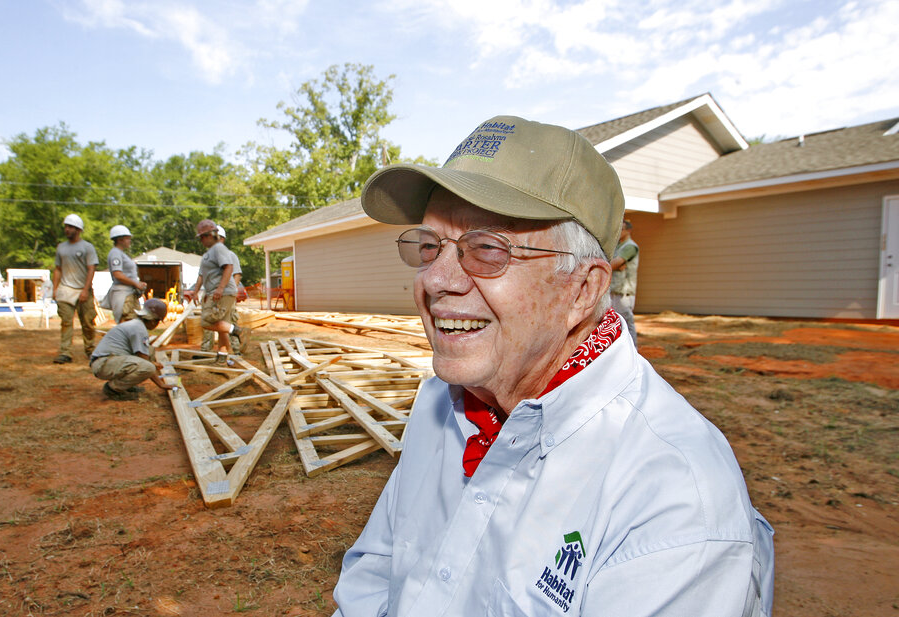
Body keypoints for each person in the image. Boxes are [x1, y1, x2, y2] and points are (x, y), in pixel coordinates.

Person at [332, 116, 774, 617]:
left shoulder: (675, 499)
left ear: (581, 290)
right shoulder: (440, 402)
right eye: (430, 246)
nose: (436, 280)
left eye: (487, 249)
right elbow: (376, 574)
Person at [183, 219, 251, 365]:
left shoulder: (219, 249)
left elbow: (230, 268)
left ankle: (239, 331)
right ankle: (222, 356)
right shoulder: (209, 253)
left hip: (221, 293)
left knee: (206, 322)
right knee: (222, 326)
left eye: (202, 237)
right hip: (216, 292)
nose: (201, 240)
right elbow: (202, 275)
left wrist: (220, 289)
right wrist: (196, 292)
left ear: (211, 235)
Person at [90, 298, 174, 401]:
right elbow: (145, 362)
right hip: (103, 364)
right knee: (149, 367)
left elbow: (145, 355)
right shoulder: (139, 329)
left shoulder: (136, 324)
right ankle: (113, 389)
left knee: (150, 350)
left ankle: (126, 385)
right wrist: (161, 384)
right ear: (153, 321)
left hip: (105, 361)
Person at [51, 213, 99, 364]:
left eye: (70, 227)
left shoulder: (87, 247)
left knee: (88, 322)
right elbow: (58, 269)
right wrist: (55, 289)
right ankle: (65, 352)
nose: (67, 229)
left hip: (83, 290)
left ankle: (91, 350)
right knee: (66, 322)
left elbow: (91, 269)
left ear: (78, 230)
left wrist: (85, 290)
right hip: (65, 290)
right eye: (66, 226)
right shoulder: (61, 248)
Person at [200, 225, 243, 353]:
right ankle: (209, 350)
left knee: (227, 321)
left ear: (222, 239)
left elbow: (236, 274)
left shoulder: (229, 255)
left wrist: (230, 293)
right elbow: (203, 276)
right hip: (213, 293)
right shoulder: (208, 256)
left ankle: (235, 349)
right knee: (213, 323)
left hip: (225, 294)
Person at [105, 224, 148, 323]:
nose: (129, 241)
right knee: (127, 322)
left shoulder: (120, 253)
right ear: (120, 239)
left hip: (128, 293)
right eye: (127, 238)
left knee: (133, 322)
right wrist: (136, 284)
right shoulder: (115, 253)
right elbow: (117, 274)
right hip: (123, 294)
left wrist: (137, 283)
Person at [610, 219, 640, 344]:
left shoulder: (630, 247)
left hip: (623, 293)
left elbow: (614, 263)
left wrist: (613, 264)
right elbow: (612, 263)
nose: (619, 232)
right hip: (613, 290)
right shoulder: (617, 246)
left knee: (626, 324)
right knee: (614, 324)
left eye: (621, 229)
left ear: (628, 231)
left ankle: (633, 353)